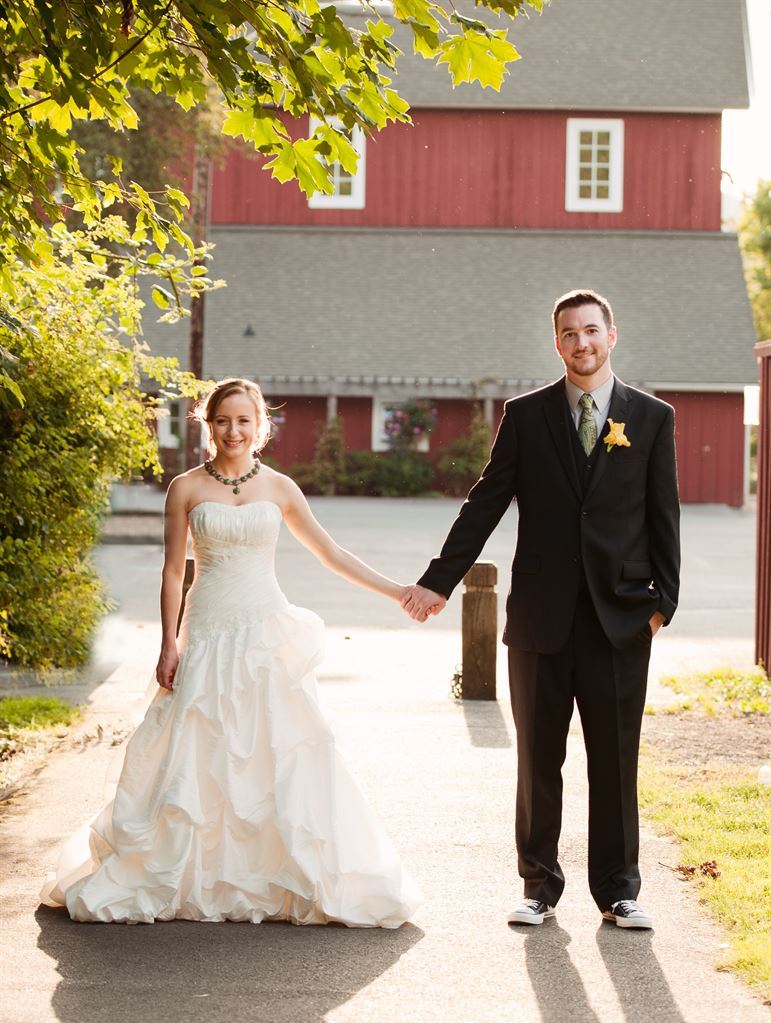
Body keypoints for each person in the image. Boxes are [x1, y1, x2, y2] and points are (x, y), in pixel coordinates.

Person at [41, 377, 421, 927]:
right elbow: (172, 572)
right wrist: (167, 642)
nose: (233, 431)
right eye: (223, 420)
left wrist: (398, 591)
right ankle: (190, 872)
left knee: (278, 746)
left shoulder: (280, 488)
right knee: (197, 747)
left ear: (261, 425)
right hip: (208, 629)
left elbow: (331, 553)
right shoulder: (186, 488)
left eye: (244, 421)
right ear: (208, 424)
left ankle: (275, 873)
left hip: (265, 630)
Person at [402, 289, 680, 930]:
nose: (582, 343)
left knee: (615, 761)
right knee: (537, 760)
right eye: (569, 334)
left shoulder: (652, 417)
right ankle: (538, 886)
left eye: (591, 330)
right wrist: (438, 583)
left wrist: (661, 605)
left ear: (611, 335)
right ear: (557, 344)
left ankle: (618, 891)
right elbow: (486, 502)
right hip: (539, 619)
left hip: (620, 620)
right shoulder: (525, 417)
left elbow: (663, 515)